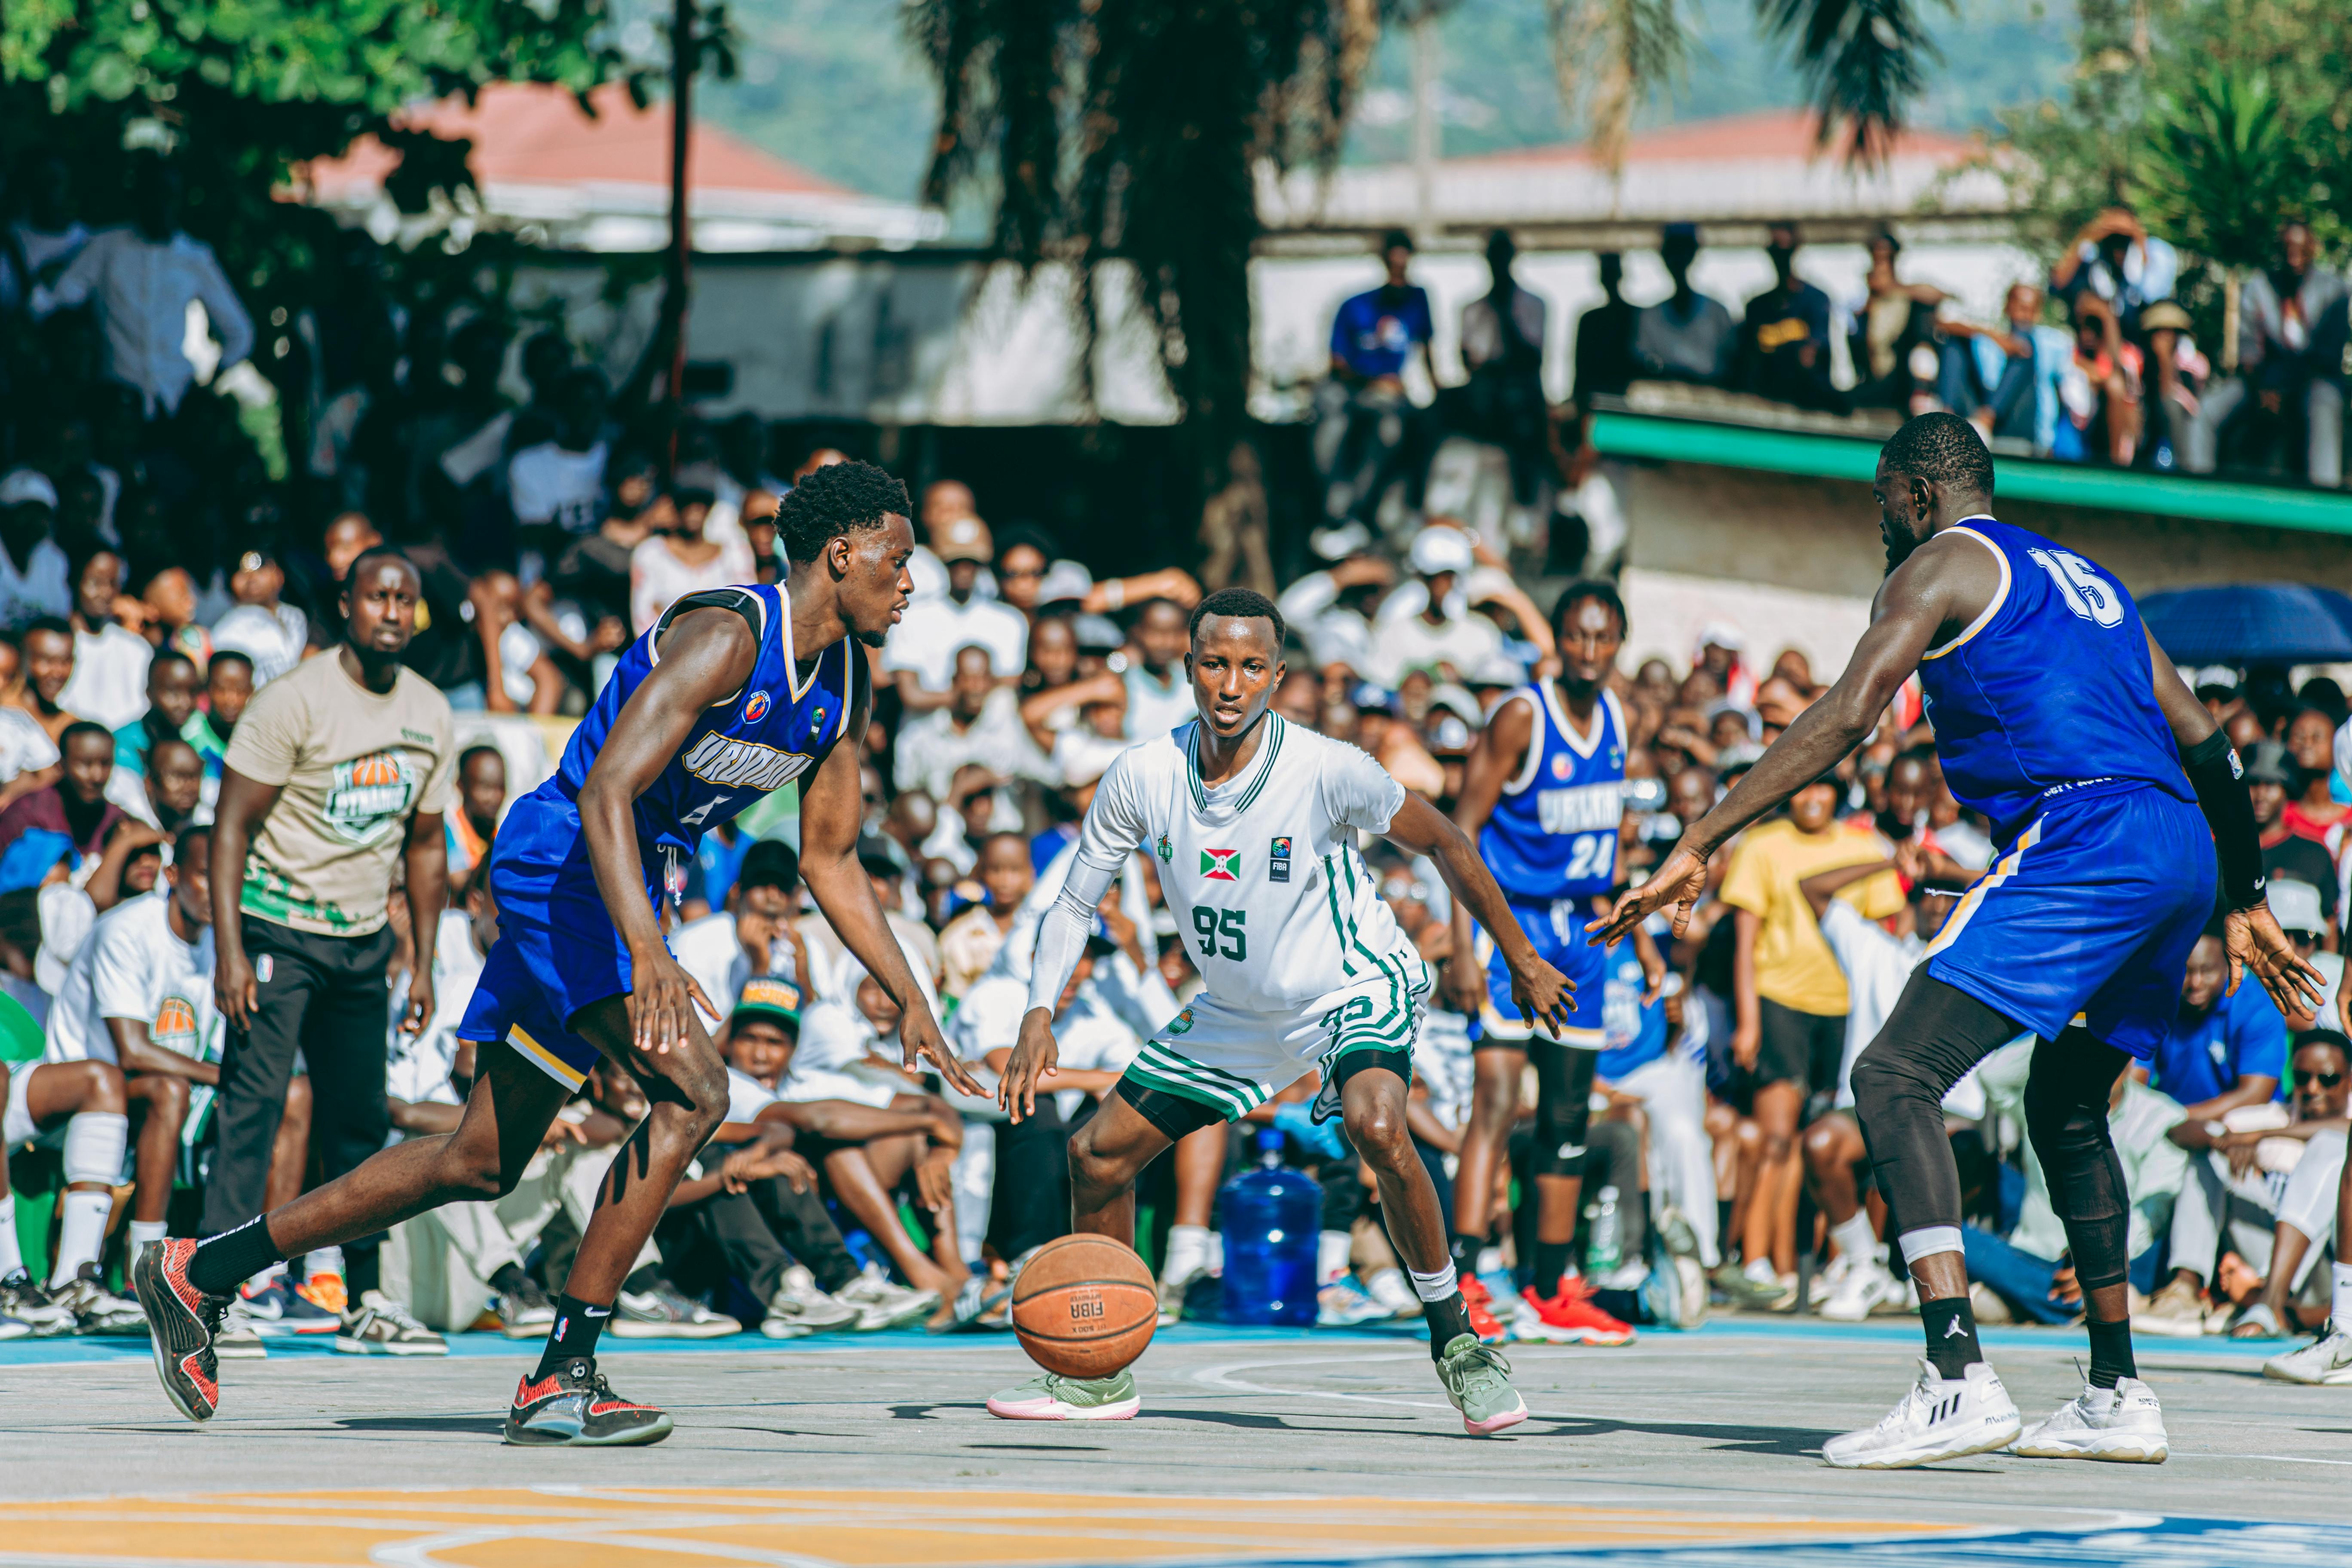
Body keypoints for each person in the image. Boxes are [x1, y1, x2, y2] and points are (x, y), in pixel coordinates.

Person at [136, 459, 977, 1447]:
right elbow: (605, 790)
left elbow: (830, 860)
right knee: (697, 1092)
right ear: (840, 555)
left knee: (480, 1158)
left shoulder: (844, 680)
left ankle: (201, 1269)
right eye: (898, 558)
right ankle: (562, 1374)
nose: (912, 581)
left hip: (611, 882)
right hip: (562, 865)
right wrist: (650, 950)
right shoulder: (724, 637)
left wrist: (907, 989)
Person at [1596, 411, 2318, 1468]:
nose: (1878, 520)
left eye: (1881, 499)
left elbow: (1846, 714)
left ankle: (1953, 1376)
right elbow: (2203, 739)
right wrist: (2242, 891)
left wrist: (1701, 837)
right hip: (2176, 845)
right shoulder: (2090, 580)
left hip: (2086, 829)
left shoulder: (1936, 566)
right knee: (2066, 1104)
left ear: (1919, 494)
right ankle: (2116, 1391)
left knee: (1892, 1074)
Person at [992, 587, 1573, 1431]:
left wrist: (1518, 956)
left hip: (1353, 984)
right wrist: (1037, 1009)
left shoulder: (1326, 767)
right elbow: (1076, 902)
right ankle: (1101, 1370)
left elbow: (1449, 841)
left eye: (1251, 666)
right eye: (1215, 664)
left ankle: (1458, 1340)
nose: (1232, 684)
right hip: (1238, 1010)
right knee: (1096, 1153)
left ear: (1277, 675)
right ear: (1190, 669)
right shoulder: (1143, 774)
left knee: (1376, 1126)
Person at [184, 547, 456, 1358]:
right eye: (377, 597)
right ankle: (207, 1293)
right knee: (253, 1112)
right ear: (346, 604)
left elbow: (429, 848)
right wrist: (229, 950)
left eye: (405, 599)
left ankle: (367, 1295)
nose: (393, 612)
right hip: (277, 929)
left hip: (362, 940)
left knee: (358, 1122)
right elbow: (228, 826)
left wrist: (425, 960)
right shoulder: (293, 700)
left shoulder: (431, 711)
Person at [1443, 581, 1651, 1345]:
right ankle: (1464, 1280)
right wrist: (1466, 947)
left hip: (1586, 933)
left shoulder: (1623, 716)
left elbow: (1611, 843)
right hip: (1513, 926)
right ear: (1555, 639)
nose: (1588, 651)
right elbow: (1458, 833)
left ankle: (1547, 1284)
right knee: (1494, 1105)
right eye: (1576, 636)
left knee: (1568, 1116)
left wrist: (1646, 936)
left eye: (1602, 638)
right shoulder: (1522, 715)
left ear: (1618, 643)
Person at [1632, 224, 1734, 386]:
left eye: (1683, 250)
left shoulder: (1717, 312)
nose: (1678, 258)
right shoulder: (1649, 317)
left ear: (1693, 253)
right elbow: (1642, 364)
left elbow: (1731, 363)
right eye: (1673, 251)